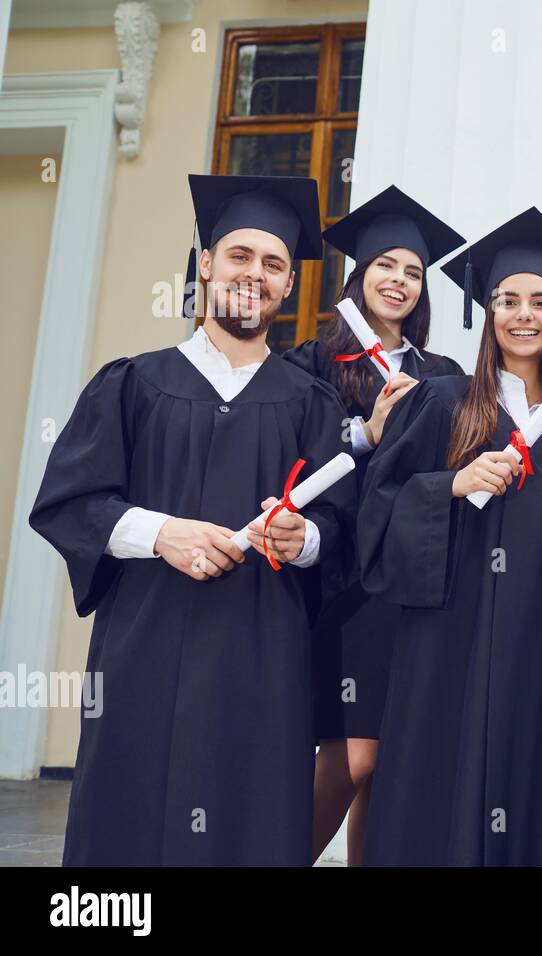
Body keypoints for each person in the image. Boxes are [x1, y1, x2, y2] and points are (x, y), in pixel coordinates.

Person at [29, 174, 354, 865]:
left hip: (263, 662)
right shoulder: (134, 383)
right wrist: (161, 532)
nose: (253, 275)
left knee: (251, 822)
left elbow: (344, 532)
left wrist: (304, 540)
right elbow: (69, 503)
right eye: (239, 256)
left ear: (289, 287)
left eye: (273, 265)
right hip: (143, 651)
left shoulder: (311, 404)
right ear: (205, 264)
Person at [356, 207, 542, 865]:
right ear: (489, 313)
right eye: (508, 301)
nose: (523, 315)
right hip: (447, 651)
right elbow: (377, 517)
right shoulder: (442, 403)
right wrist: (449, 483)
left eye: (540, 302)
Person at [280, 185, 466, 864]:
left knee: (385, 766)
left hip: (412, 581)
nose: (400, 281)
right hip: (343, 581)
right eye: (386, 266)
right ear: (359, 278)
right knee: (352, 758)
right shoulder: (312, 365)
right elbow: (289, 461)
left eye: (413, 272)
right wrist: (364, 432)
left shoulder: (441, 375)